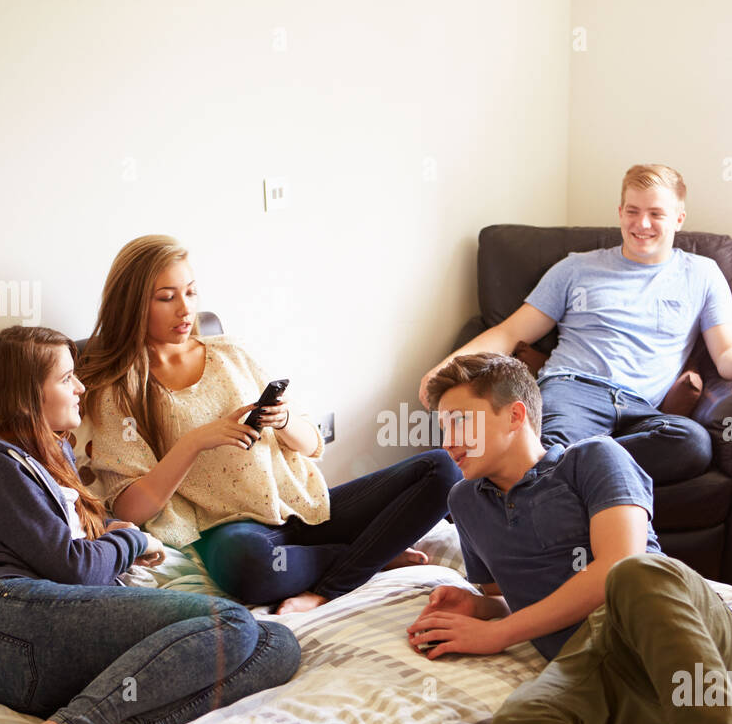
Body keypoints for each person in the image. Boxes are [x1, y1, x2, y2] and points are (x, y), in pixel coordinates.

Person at [408, 353, 732, 724]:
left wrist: (499, 635)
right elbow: (515, 591)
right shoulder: (466, 501)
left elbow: (617, 565)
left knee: (635, 573)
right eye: (443, 425)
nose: (449, 440)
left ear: (515, 415)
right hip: (604, 668)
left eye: (461, 422)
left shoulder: (593, 457)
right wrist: (483, 607)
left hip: (673, 625)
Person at [0, 326, 300, 724]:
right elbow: (75, 568)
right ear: (24, 396)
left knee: (276, 643)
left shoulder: (49, 452)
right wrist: (130, 538)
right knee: (230, 622)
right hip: (5, 626)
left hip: (53, 642)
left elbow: (78, 562)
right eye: (66, 379)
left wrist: (117, 536)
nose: (80, 387)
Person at [78, 235, 458, 615]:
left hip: (303, 510)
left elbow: (311, 445)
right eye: (166, 297)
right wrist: (194, 442)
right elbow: (131, 507)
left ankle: (336, 573)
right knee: (245, 567)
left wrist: (287, 421)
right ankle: (361, 560)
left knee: (442, 469)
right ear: (132, 304)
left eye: (191, 293)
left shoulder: (232, 353)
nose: (185, 310)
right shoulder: (117, 390)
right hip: (238, 534)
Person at [417, 163, 732, 485]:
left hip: (643, 408)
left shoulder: (703, 274)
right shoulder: (575, 268)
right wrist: (449, 367)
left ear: (679, 218)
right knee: (551, 448)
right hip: (573, 390)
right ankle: (573, 470)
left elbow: (728, 350)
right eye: (632, 211)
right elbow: (511, 332)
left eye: (656, 213)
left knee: (692, 444)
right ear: (619, 212)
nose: (642, 223)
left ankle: (575, 467)